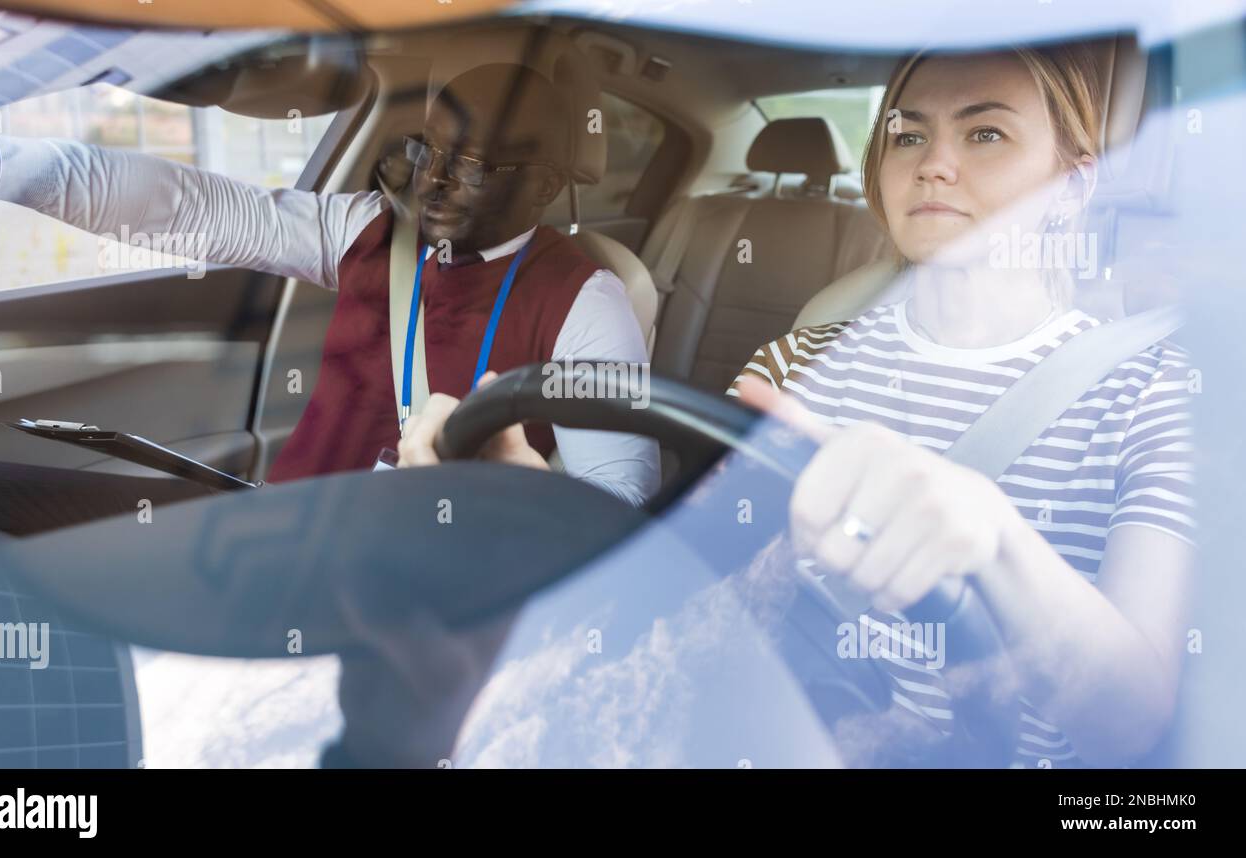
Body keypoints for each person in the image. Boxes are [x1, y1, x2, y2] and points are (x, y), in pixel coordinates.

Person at [393, 44, 1194, 769]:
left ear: (1074, 184)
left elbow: (1132, 721)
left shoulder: (1151, 391)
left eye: (985, 135)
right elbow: (694, 593)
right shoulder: (799, 362)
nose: (934, 164)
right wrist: (537, 501)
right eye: (909, 135)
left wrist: (995, 538)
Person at [0, 63, 660, 536]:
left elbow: (621, 508)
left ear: (544, 182)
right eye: (428, 152)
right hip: (269, 529)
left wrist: (521, 488)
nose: (433, 183)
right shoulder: (367, 230)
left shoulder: (590, 302)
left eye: (470, 165)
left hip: (401, 587)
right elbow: (185, 206)